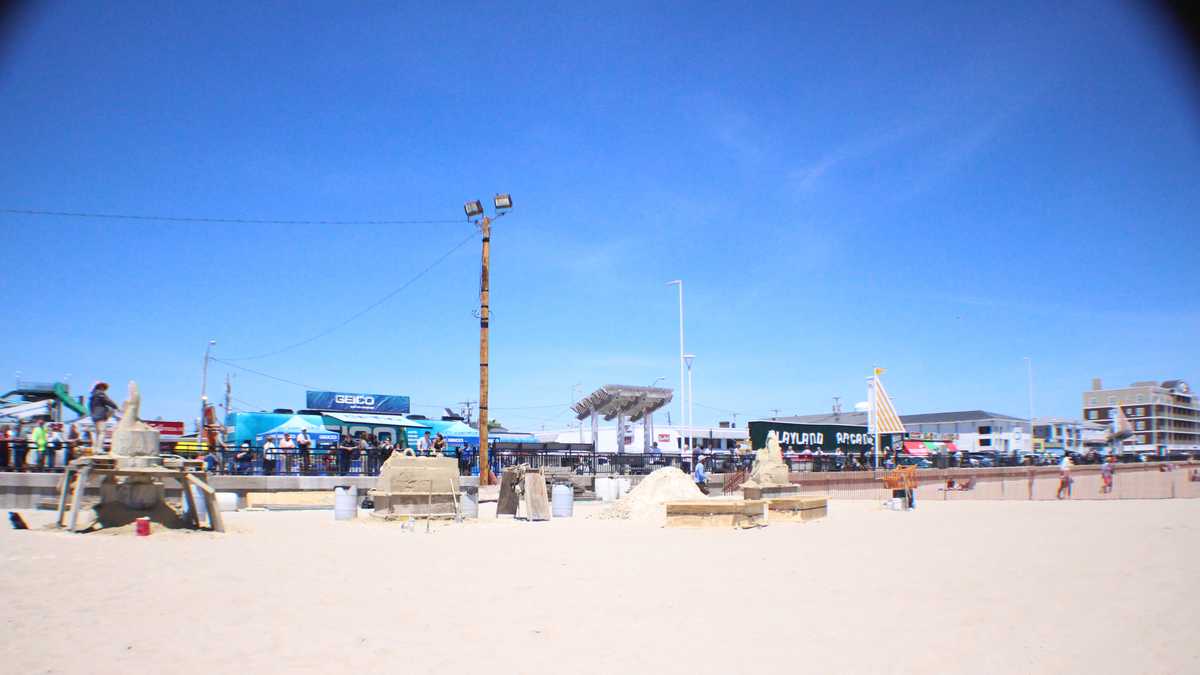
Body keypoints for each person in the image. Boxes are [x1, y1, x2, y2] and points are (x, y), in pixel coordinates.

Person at [88, 382, 120, 453]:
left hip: (94, 416)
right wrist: (116, 407)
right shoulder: (100, 394)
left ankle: (95, 449)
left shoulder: (92, 396)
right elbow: (108, 401)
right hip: (100, 415)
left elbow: (90, 407)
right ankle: (99, 449)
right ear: (101, 387)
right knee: (102, 432)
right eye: (104, 388)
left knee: (97, 433)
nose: (104, 390)